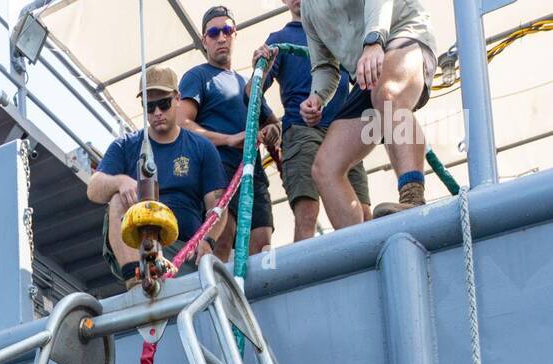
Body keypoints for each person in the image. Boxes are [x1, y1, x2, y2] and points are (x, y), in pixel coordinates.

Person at [298, 0, 438, 224]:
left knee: (388, 94)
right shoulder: (308, 9)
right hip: (369, 71)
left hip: (406, 36)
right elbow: (325, 66)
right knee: (325, 167)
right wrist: (317, 97)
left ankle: (413, 198)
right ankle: (358, 248)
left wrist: (374, 41)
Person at [88, 65, 227, 286]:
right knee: (116, 198)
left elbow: (217, 206)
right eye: (150, 107)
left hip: (184, 249)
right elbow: (93, 189)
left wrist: (207, 240)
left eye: (163, 103)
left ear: (178, 99)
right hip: (138, 245)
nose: (157, 113)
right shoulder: (126, 145)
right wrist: (121, 181)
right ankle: (137, 284)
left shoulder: (201, 148)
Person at [260, 0, 371, 240]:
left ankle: (358, 270)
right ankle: (304, 277)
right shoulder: (278, 39)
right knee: (307, 213)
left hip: (343, 131)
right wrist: (271, 120)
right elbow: (251, 93)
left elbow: (362, 81)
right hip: (301, 130)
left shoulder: (336, 32)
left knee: (364, 213)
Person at [178, 5, 281, 261]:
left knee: (263, 245)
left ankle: (255, 300)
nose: (221, 37)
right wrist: (229, 139)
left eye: (227, 30)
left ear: (235, 34)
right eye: (213, 33)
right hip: (218, 170)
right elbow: (182, 124)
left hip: (252, 172)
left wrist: (271, 131)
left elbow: (272, 123)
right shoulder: (198, 76)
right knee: (222, 239)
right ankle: (218, 299)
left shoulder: (247, 84)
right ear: (204, 41)